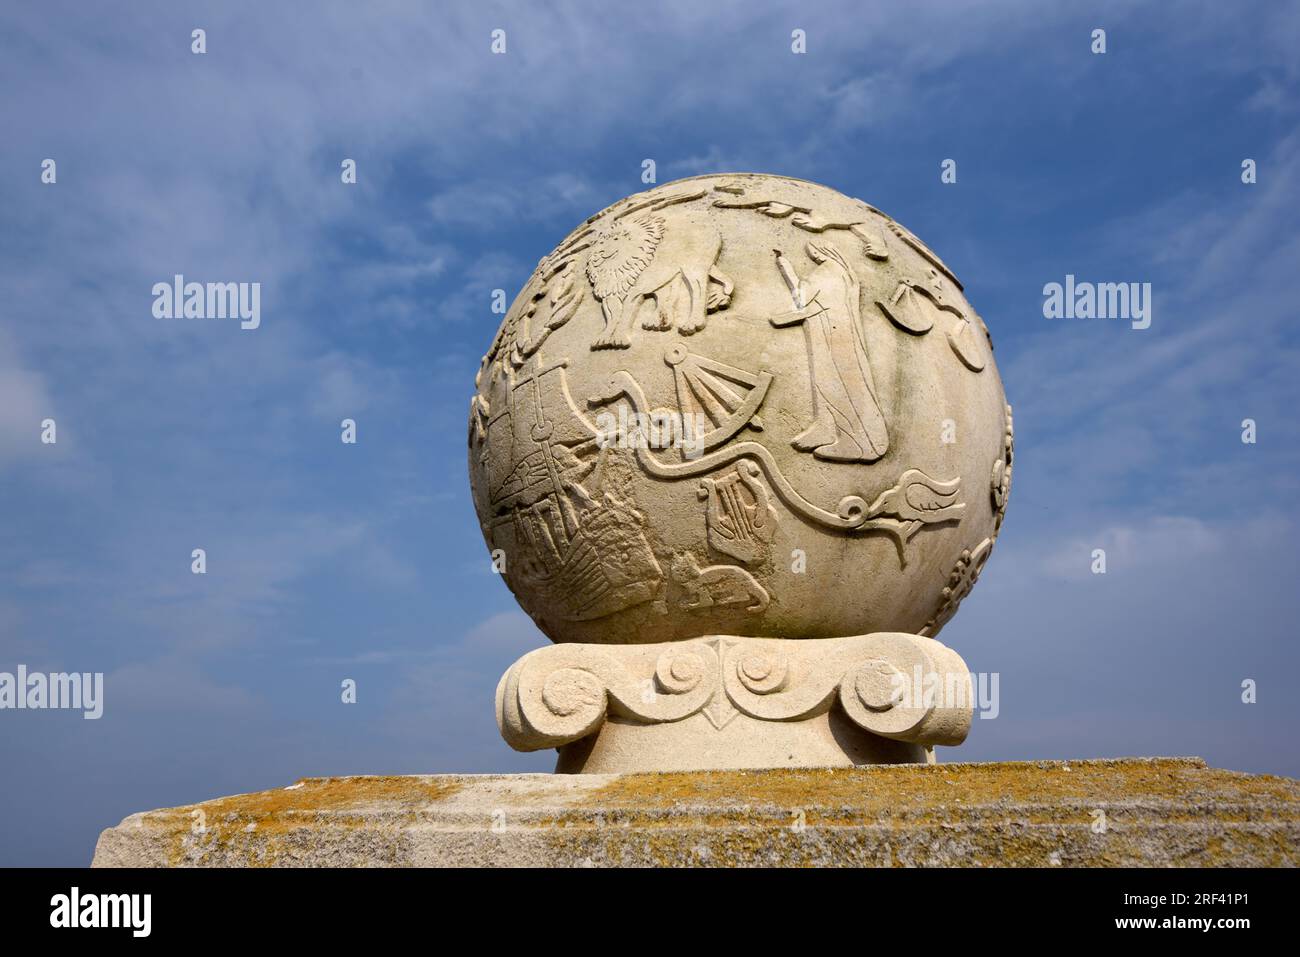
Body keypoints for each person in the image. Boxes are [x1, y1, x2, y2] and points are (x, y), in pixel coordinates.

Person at [771, 242, 889, 462]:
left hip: (833, 335)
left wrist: (785, 265)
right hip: (828, 331)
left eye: (813, 250)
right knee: (825, 381)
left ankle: (857, 443)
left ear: (823, 250)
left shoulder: (827, 271)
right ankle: (826, 427)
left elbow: (802, 297)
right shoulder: (843, 272)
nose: (812, 254)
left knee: (837, 383)